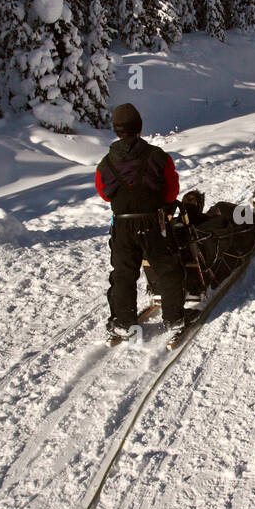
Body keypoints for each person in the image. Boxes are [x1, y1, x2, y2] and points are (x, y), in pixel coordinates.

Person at [95, 103, 196, 338]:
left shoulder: (105, 163)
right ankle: (174, 319)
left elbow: (103, 193)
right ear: (139, 128)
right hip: (154, 223)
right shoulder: (157, 156)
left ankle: (123, 322)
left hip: (121, 225)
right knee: (168, 270)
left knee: (123, 274)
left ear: (116, 130)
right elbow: (171, 191)